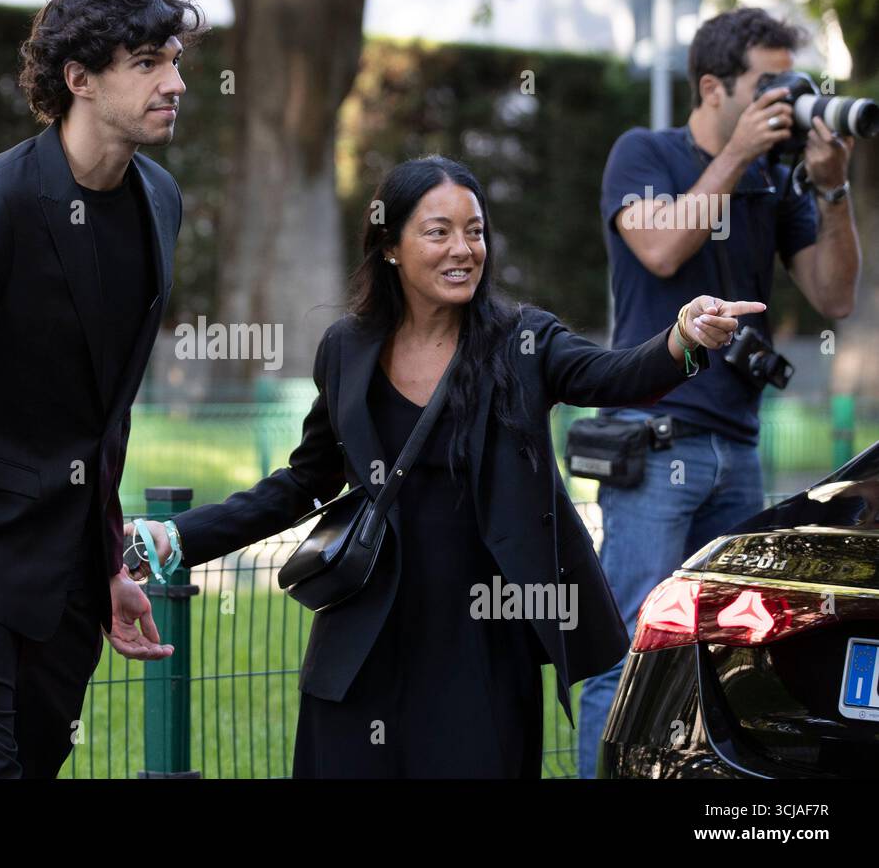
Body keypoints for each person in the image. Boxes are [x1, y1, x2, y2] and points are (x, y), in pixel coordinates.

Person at [127, 155, 763, 777]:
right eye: (439, 232)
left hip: (481, 644)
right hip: (363, 643)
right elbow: (303, 482)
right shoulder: (347, 348)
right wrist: (181, 535)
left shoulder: (523, 339)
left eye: (476, 231)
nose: (464, 249)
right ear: (391, 247)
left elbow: (615, 374)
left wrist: (683, 336)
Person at [0, 0, 204, 778]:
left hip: (66, 594)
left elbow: (99, 414)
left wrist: (105, 568)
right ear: (79, 79)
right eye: (148, 63)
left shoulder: (159, 200)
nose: (176, 81)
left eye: (173, 59)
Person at [576, 7, 861, 779]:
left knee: (738, 650)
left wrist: (831, 192)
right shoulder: (647, 152)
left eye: (790, 81)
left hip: (737, 448)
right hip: (654, 438)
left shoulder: (777, 178)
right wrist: (735, 155)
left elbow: (835, 296)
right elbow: (662, 249)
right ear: (712, 87)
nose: (785, 97)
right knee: (628, 646)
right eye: (768, 83)